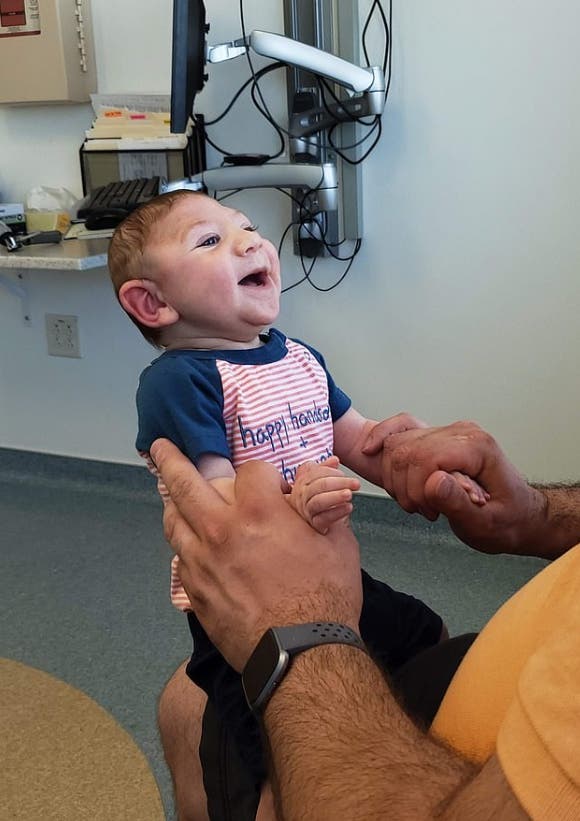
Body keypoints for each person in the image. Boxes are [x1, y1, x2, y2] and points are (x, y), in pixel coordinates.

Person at [107, 191, 486, 820]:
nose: (251, 241)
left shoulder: (297, 355)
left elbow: (358, 440)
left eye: (249, 229)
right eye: (210, 240)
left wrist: (415, 458)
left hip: (327, 570)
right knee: (275, 759)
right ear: (154, 303)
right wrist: (299, 504)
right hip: (246, 602)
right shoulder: (181, 381)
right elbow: (222, 507)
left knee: (424, 632)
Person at [150, 420, 580, 821]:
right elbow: (357, 436)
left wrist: (298, 630)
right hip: (509, 667)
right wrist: (544, 517)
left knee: (190, 706)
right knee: (187, 698)